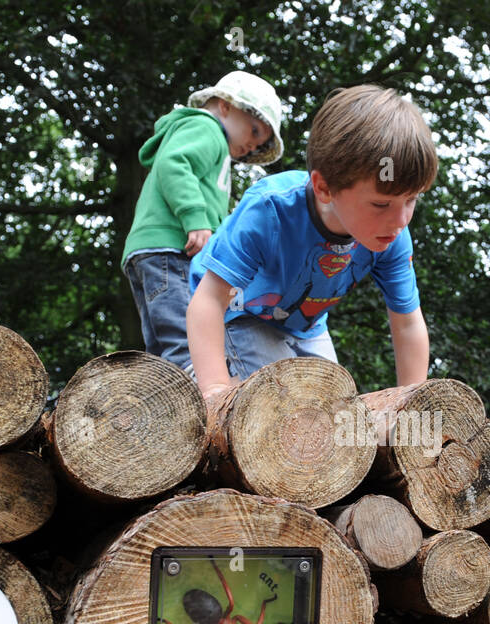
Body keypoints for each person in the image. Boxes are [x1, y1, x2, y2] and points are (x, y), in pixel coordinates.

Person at [185, 85, 436, 399]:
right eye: (381, 205)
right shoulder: (270, 210)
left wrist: (409, 404)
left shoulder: (393, 235)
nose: (400, 221)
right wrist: (215, 393)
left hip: (307, 328)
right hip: (239, 315)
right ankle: (198, 375)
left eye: (411, 200)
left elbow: (408, 324)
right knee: (284, 406)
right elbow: (208, 300)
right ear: (324, 188)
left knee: (336, 406)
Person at [122, 72, 285, 370]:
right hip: (172, 247)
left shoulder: (210, 140)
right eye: (254, 131)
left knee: (162, 343)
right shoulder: (206, 128)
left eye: (260, 143)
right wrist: (195, 218)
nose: (253, 146)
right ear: (225, 106)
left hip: (152, 250)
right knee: (189, 338)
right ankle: (199, 400)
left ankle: (163, 398)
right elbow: (175, 164)